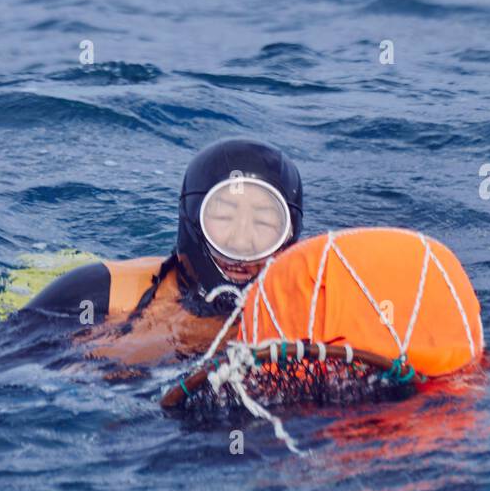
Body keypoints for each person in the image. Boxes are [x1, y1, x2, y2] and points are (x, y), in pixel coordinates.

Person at [23, 138, 303, 362]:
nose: (242, 241)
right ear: (190, 217)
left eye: (265, 222)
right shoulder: (101, 293)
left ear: (290, 235)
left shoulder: (309, 316)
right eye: (225, 217)